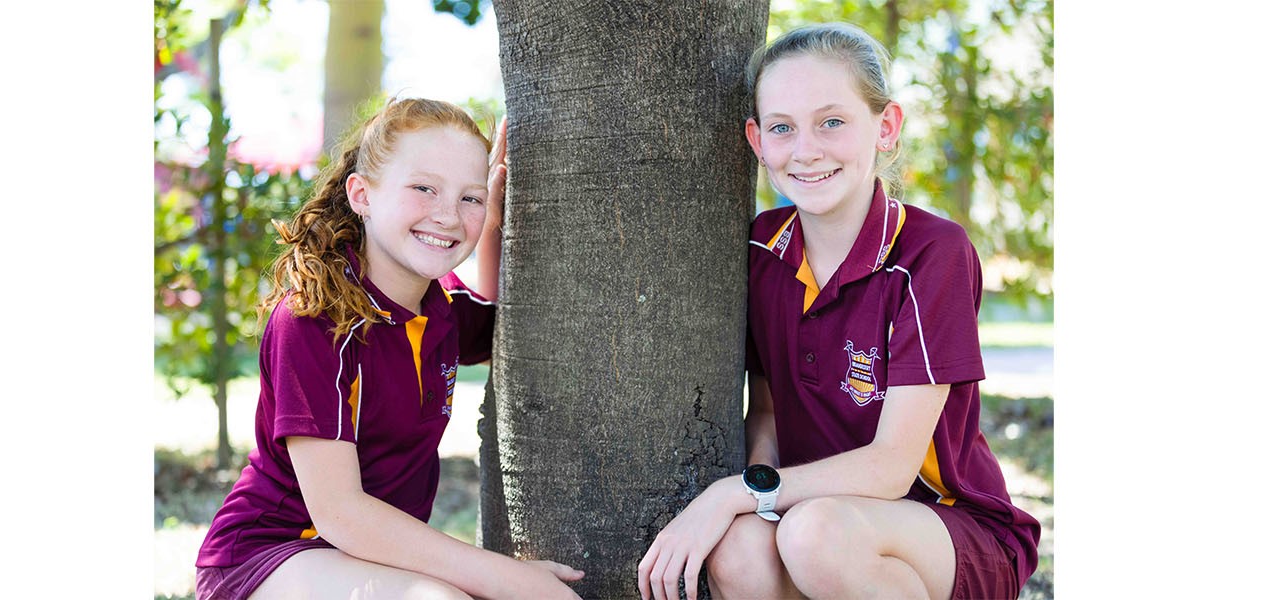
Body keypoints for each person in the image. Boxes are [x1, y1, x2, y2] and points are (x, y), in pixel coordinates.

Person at [637, 23, 1040, 600]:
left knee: (816, 534)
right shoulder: (758, 250)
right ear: (756, 141)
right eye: (782, 128)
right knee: (741, 548)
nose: (807, 150)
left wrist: (733, 493)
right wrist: (756, 489)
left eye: (832, 121)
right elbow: (770, 412)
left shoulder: (932, 253)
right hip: (806, 507)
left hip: (946, 526)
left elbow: (891, 468)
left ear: (886, 126)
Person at [194, 99, 582, 600]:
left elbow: (494, 330)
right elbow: (340, 514)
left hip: (363, 558)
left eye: (470, 197)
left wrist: (493, 221)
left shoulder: (439, 309)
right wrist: (511, 579)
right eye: (424, 188)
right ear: (362, 194)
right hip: (273, 553)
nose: (447, 215)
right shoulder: (315, 321)